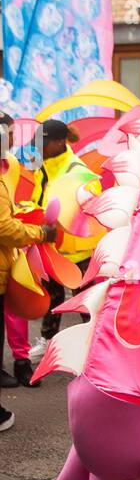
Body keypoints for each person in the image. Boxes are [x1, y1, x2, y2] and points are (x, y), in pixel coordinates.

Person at [23, 119, 100, 357]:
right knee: (52, 299)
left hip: (77, 250)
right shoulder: (42, 165)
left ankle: (95, 347)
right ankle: (49, 341)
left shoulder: (78, 171)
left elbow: (91, 210)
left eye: (43, 143)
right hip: (50, 245)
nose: (38, 148)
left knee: (84, 301)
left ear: (60, 142)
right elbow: (39, 194)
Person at [0, 113, 57, 431]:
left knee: (18, 311)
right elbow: (3, 225)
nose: (12, 140)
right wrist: (38, 234)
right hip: (10, 251)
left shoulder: (13, 167)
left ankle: (22, 361)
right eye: (8, 134)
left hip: (11, 258)